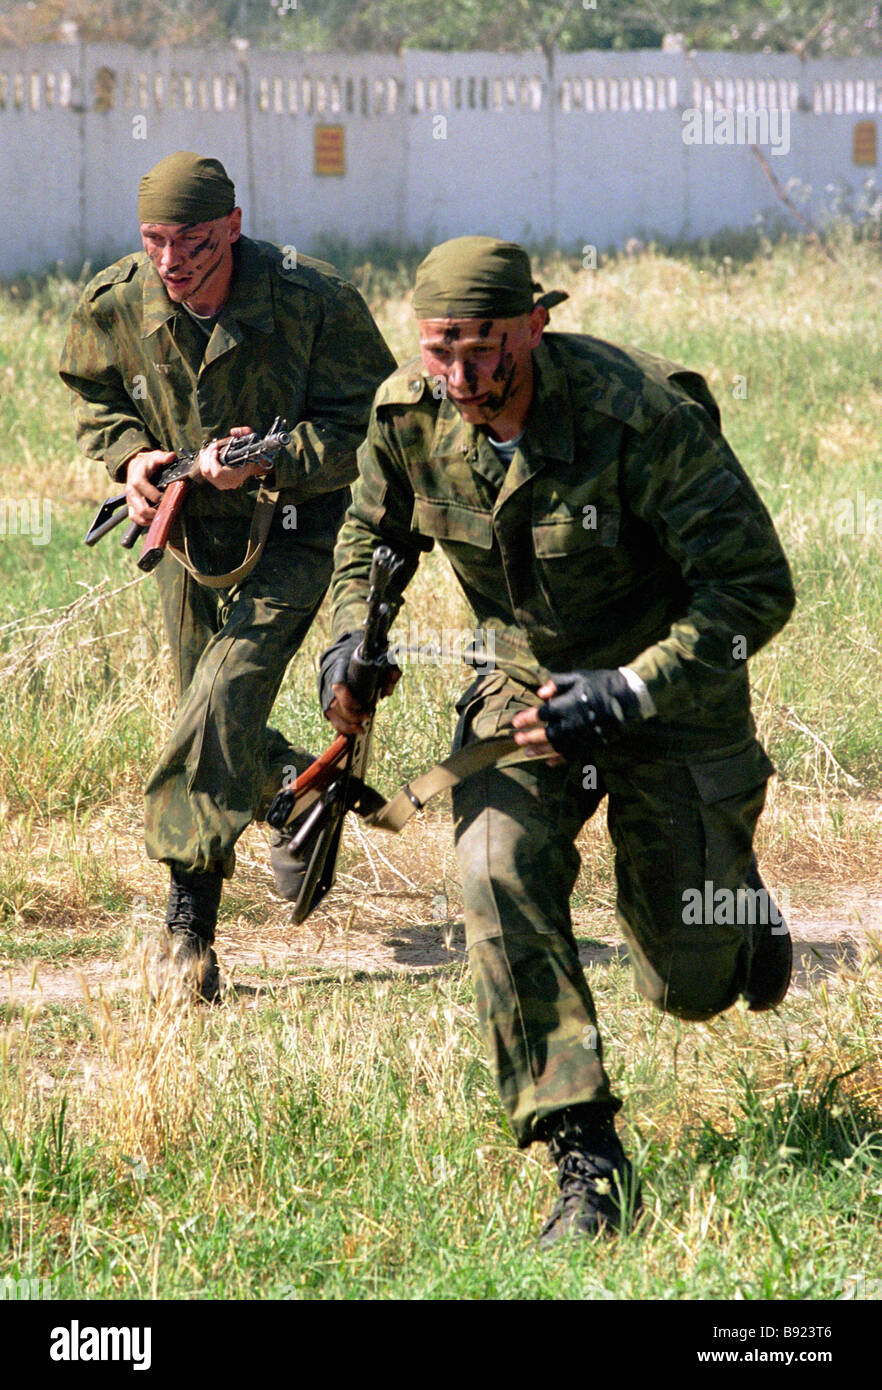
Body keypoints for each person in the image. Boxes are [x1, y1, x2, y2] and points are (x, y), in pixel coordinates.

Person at [320, 235, 795, 1244]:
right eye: (439, 352)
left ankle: (740, 919)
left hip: (668, 694)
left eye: (483, 351)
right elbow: (373, 535)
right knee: (492, 867)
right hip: (524, 688)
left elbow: (756, 589)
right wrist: (346, 648)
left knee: (690, 987)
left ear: (537, 325)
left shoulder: (642, 416)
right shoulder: (409, 418)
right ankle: (585, 1154)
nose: (460, 379)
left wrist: (628, 690)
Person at [59, 151, 396, 1001]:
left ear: (234, 229)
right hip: (186, 540)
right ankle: (294, 788)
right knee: (209, 710)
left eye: (195, 243)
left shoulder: (313, 298)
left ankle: (188, 931)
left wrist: (270, 463)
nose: (173, 262)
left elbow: (369, 424)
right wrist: (133, 459)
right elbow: (95, 397)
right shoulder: (116, 302)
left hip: (291, 529)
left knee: (219, 697)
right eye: (156, 241)